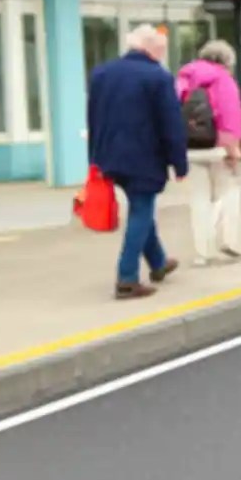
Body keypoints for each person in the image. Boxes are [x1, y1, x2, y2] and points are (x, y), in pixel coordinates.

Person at [87, 25, 188, 299]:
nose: (162, 55)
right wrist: (179, 163)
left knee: (140, 207)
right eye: (161, 50)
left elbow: (93, 116)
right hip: (144, 156)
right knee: (141, 211)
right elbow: (171, 124)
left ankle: (158, 262)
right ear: (149, 48)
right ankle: (127, 278)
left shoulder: (102, 73)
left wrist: (94, 157)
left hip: (108, 155)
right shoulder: (158, 77)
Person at [176, 40, 241, 266]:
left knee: (198, 199)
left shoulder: (183, 78)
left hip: (189, 147)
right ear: (226, 61)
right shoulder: (223, 80)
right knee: (229, 191)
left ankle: (203, 253)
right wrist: (232, 149)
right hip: (217, 148)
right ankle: (226, 239)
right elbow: (230, 116)